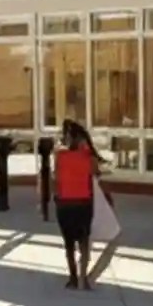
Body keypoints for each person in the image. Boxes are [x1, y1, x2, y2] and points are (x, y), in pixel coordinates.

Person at [53, 120, 104, 290]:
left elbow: (56, 178)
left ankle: (72, 277)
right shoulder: (88, 156)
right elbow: (96, 173)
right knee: (84, 241)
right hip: (83, 202)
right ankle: (83, 278)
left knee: (68, 243)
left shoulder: (60, 156)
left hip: (64, 203)